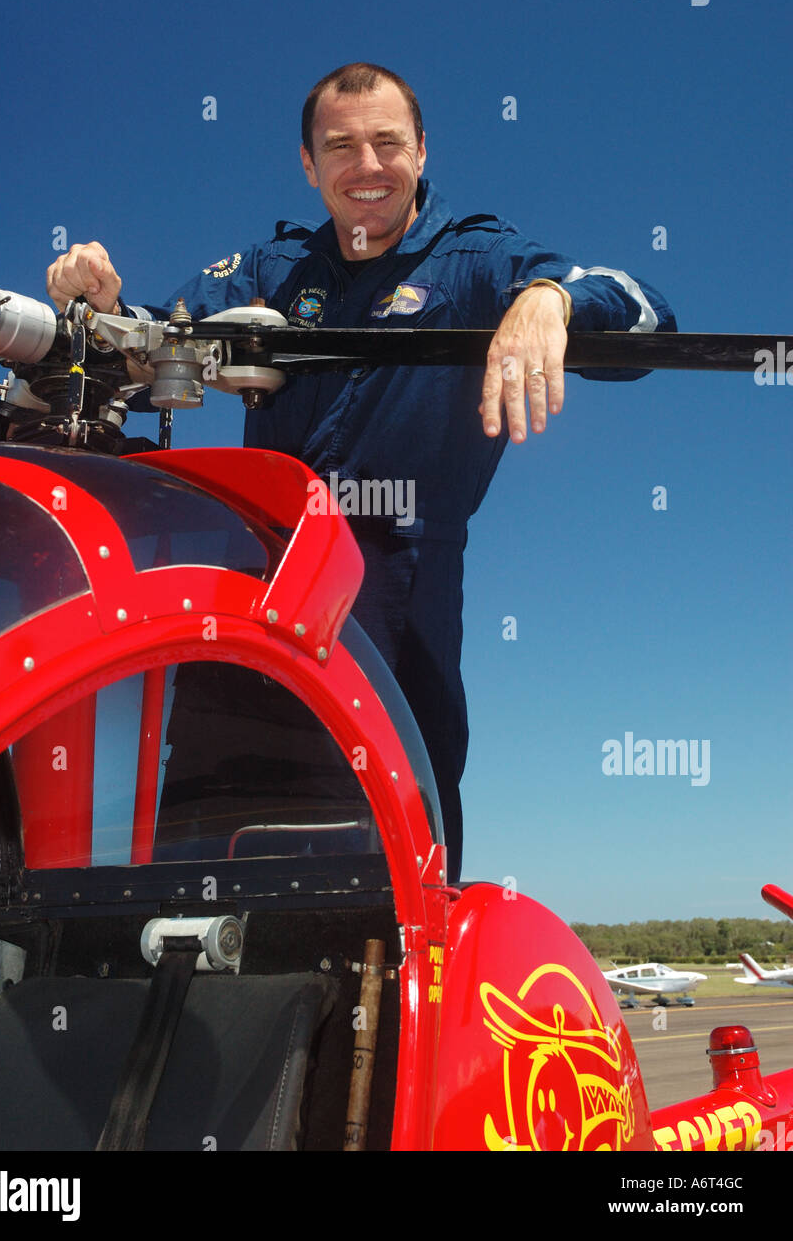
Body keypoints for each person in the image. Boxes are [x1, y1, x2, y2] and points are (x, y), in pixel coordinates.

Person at [46, 62, 676, 878]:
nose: (367, 166)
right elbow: (148, 342)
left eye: (387, 142)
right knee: (205, 816)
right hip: (255, 582)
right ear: (309, 167)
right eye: (340, 147)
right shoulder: (271, 270)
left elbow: (644, 306)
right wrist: (97, 305)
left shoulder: (479, 259)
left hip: (400, 583)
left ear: (421, 150)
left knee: (401, 816)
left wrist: (550, 298)